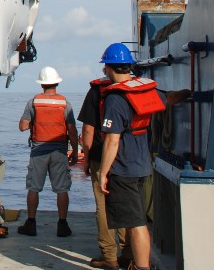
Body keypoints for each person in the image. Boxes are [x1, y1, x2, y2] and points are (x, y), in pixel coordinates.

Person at [97, 43, 188, 270]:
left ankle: (142, 267)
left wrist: (103, 173)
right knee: (139, 221)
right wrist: (190, 92)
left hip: (123, 170)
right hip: (143, 167)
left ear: (108, 68)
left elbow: (112, 140)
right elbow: (170, 99)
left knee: (136, 223)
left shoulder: (115, 99)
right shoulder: (145, 91)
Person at [79, 54, 129, 270]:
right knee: (129, 207)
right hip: (130, 159)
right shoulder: (139, 89)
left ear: (107, 67)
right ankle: (129, 253)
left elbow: (88, 129)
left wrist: (86, 159)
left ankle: (109, 257)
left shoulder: (97, 91)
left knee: (103, 206)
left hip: (102, 156)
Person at [17, 66, 79, 237]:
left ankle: (31, 224)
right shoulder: (65, 104)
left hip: (38, 151)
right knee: (61, 189)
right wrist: (74, 151)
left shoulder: (33, 103)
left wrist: (33, 121)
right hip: (59, 151)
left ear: (41, 84)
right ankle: (62, 225)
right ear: (57, 83)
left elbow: (22, 126)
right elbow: (72, 131)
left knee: (34, 188)